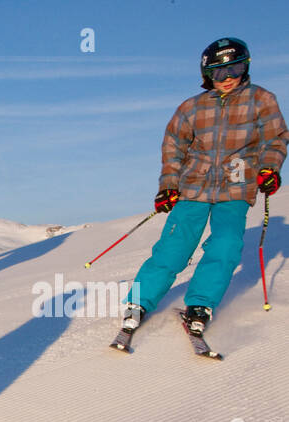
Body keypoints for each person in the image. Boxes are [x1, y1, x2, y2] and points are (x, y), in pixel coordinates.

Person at [119, 38, 285, 340]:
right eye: (218, 73)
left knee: (225, 245)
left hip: (235, 186)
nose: (227, 78)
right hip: (193, 186)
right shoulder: (191, 108)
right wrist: (168, 186)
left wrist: (269, 168)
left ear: (246, 67)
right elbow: (173, 148)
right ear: (207, 75)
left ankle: (199, 305)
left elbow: (275, 139)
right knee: (174, 248)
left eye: (234, 68)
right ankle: (138, 303)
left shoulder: (262, 100)